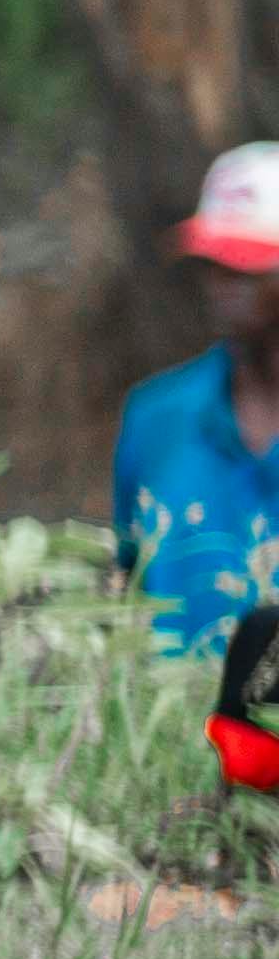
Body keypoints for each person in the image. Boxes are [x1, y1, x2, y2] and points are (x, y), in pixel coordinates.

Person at [116, 142, 279, 660]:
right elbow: (126, 593)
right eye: (215, 263)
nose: (223, 285)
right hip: (176, 728)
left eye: (248, 267)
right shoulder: (156, 419)